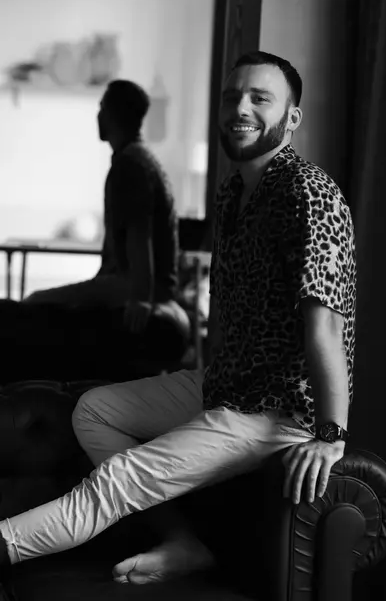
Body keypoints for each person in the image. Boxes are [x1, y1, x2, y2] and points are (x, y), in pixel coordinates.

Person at [0, 51, 356, 597]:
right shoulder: (234, 192)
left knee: (117, 480)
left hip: (277, 409)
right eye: (232, 96)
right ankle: (182, 541)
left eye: (260, 98)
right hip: (226, 385)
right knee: (93, 409)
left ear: (292, 118)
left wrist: (331, 435)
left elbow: (326, 327)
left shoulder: (308, 193)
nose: (240, 108)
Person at [24, 79, 188, 337]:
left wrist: (141, 298)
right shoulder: (142, 159)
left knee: (34, 302)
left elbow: (139, 234)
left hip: (134, 286)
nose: (97, 115)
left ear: (114, 114)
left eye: (101, 108)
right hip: (142, 285)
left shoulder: (130, 166)